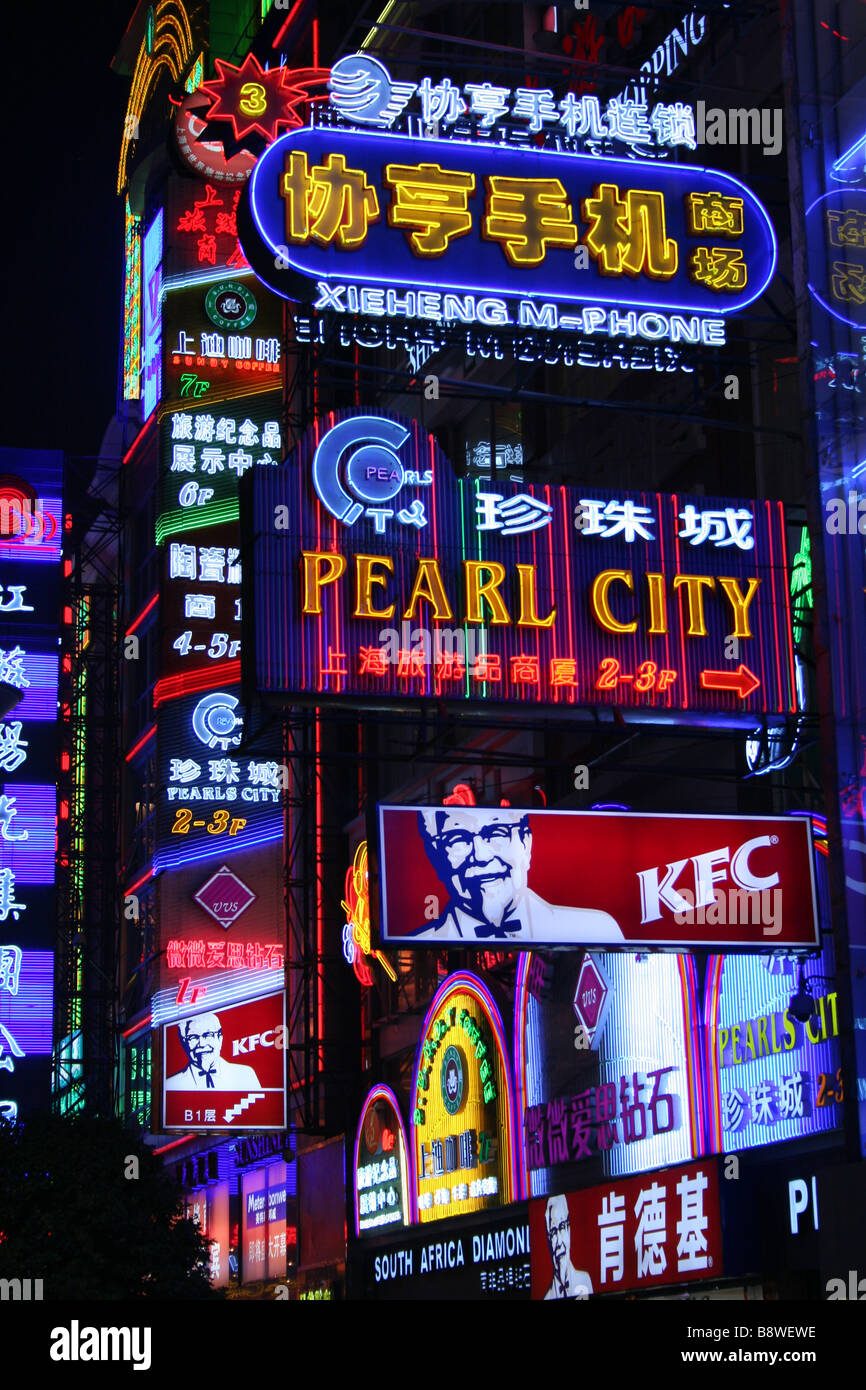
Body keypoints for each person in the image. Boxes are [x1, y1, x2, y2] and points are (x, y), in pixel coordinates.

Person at [411, 808, 624, 943]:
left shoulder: (597, 929)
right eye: (457, 840)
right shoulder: (424, 938)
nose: (481, 856)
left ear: (525, 844)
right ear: (436, 857)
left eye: (496, 833)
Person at [165, 1011, 262, 1091]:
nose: (202, 1044)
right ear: (184, 1043)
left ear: (220, 1039)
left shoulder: (245, 1075)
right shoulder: (171, 1084)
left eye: (208, 1035)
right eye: (193, 1037)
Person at [543, 1193, 593, 1300]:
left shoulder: (585, 1281)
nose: (559, 1241)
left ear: (568, 1230)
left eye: (561, 1227)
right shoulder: (547, 1298)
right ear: (548, 1240)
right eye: (553, 1232)